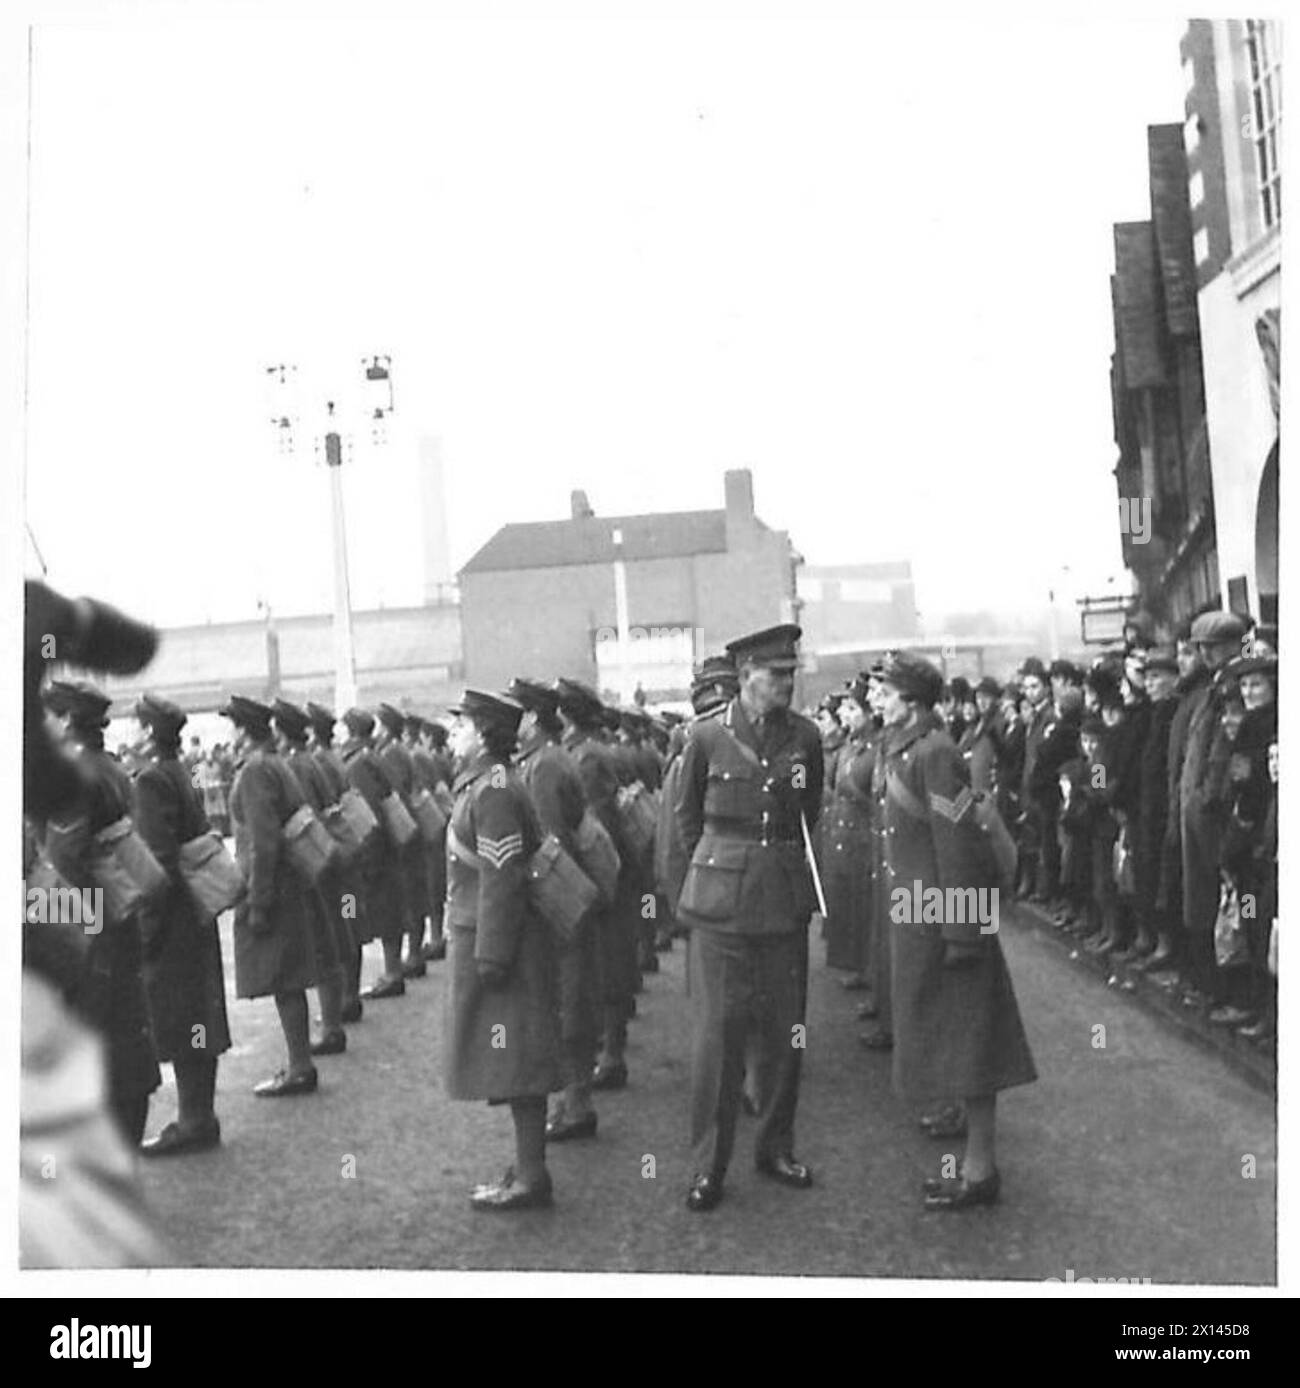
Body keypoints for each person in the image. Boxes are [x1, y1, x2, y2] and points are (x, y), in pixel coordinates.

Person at [875, 651, 1037, 1211]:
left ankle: (979, 1169)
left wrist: (964, 933)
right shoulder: (907, 747)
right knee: (951, 1038)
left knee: (973, 1042)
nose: (877, 699)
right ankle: (971, 1160)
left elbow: (957, 839)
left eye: (886, 691)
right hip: (921, 916)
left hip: (947, 917)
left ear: (913, 702)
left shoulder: (937, 753)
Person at [674, 623, 824, 1212]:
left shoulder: (805, 738)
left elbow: (806, 812)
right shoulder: (706, 737)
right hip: (720, 906)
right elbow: (687, 818)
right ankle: (709, 1164)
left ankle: (775, 1146)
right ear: (745, 678)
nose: (787, 683)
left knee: (787, 1033)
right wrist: (713, 873)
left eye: (791, 673)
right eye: (775, 675)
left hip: (783, 902)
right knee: (719, 1037)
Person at [443, 689, 560, 1210]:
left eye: (460, 725)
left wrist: (491, 955)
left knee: (518, 1057)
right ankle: (528, 1165)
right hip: (498, 937)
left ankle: (532, 1176)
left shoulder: (492, 789)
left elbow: (501, 877)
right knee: (512, 1055)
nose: (453, 735)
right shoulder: (488, 782)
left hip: (500, 942)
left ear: (484, 733)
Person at [40, 681, 161, 1144]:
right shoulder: (111, 768)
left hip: (88, 931)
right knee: (127, 1038)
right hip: (121, 919)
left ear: (67, 721)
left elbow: (65, 860)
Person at [133, 694, 232, 1156]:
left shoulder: (152, 779)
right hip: (194, 913)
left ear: (150, 733)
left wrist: (147, 930)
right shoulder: (179, 771)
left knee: (180, 1014)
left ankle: (193, 1119)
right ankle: (200, 1115)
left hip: (172, 918)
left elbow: (158, 862)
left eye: (137, 725)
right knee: (199, 1013)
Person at [510, 677, 601, 1142]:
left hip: (558, 903)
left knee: (566, 1003)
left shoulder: (544, 766)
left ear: (531, 720)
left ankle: (576, 1105)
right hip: (569, 898)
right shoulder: (550, 758)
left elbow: (550, 848)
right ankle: (575, 1100)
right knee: (571, 999)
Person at [220, 695, 320, 1097]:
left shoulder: (256, 772)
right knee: (288, 976)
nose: (232, 734)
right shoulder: (273, 764)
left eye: (233, 726)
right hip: (289, 883)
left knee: (284, 979)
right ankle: (301, 1063)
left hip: (273, 886)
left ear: (244, 731)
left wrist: (258, 901)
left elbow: (264, 842)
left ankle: (300, 1067)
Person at [556, 678, 639, 1090]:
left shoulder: (585, 758)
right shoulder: (593, 751)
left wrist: (586, 885)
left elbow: (596, 824)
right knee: (609, 964)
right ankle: (610, 1052)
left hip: (602, 876)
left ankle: (611, 1057)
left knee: (606, 967)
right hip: (612, 871)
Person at [1178, 611, 1250, 1009]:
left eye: (1211, 647)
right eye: (1202, 647)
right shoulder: (1212, 689)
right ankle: (1212, 987)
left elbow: (1227, 755)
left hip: (1215, 812)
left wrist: (1209, 795)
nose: (1205, 654)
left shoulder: (1234, 689)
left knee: (1230, 902)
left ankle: (1233, 992)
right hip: (1197, 808)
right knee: (1204, 901)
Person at [272, 700, 349, 1056]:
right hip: (327, 856)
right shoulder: (316, 761)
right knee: (331, 938)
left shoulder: (297, 766)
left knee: (320, 946)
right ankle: (335, 1019)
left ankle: (332, 1026)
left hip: (312, 861)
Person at [339, 708, 409, 1000]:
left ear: (352, 732)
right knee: (388, 910)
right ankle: (391, 973)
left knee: (356, 914)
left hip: (370, 853)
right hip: (385, 849)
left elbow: (369, 813)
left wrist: (368, 858)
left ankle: (385, 977)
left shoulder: (357, 764)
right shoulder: (373, 756)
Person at [304, 702, 366, 1020]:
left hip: (334, 857)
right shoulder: (335, 759)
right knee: (349, 922)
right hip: (348, 854)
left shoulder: (319, 761)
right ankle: (350, 995)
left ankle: (346, 999)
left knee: (340, 927)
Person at [823, 673, 877, 993]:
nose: (847, 716)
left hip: (864, 837)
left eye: (854, 709)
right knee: (851, 906)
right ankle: (859, 966)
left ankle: (870, 971)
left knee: (866, 909)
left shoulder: (873, 749)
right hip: (846, 835)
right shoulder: (850, 747)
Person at [376, 703, 430, 980]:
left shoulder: (390, 754)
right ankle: (414, 954)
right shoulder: (402, 752)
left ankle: (411, 957)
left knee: (406, 896)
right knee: (414, 894)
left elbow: (395, 796)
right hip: (412, 828)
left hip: (403, 832)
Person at [410, 715, 452, 964]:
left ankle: (434, 939)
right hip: (440, 826)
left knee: (431, 887)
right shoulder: (432, 758)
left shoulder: (423, 758)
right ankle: (434, 939)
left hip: (432, 830)